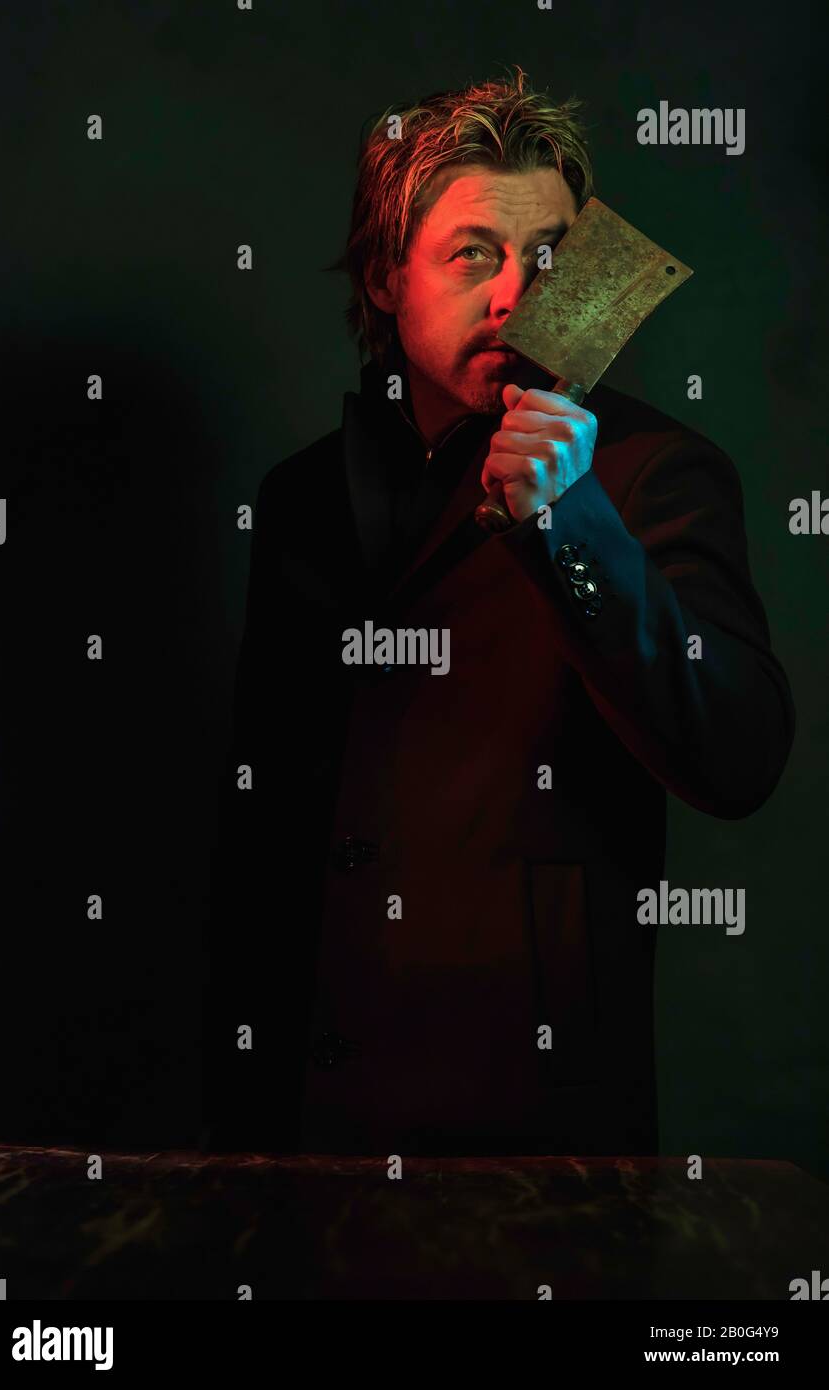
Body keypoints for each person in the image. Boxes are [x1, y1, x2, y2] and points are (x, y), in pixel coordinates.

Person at [203, 69, 794, 1158]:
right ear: (385, 276)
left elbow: (741, 756)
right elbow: (266, 823)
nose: (520, 294)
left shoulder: (659, 470)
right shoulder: (300, 494)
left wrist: (573, 528)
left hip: (533, 1135)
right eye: (475, 252)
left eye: (552, 257)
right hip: (296, 1128)